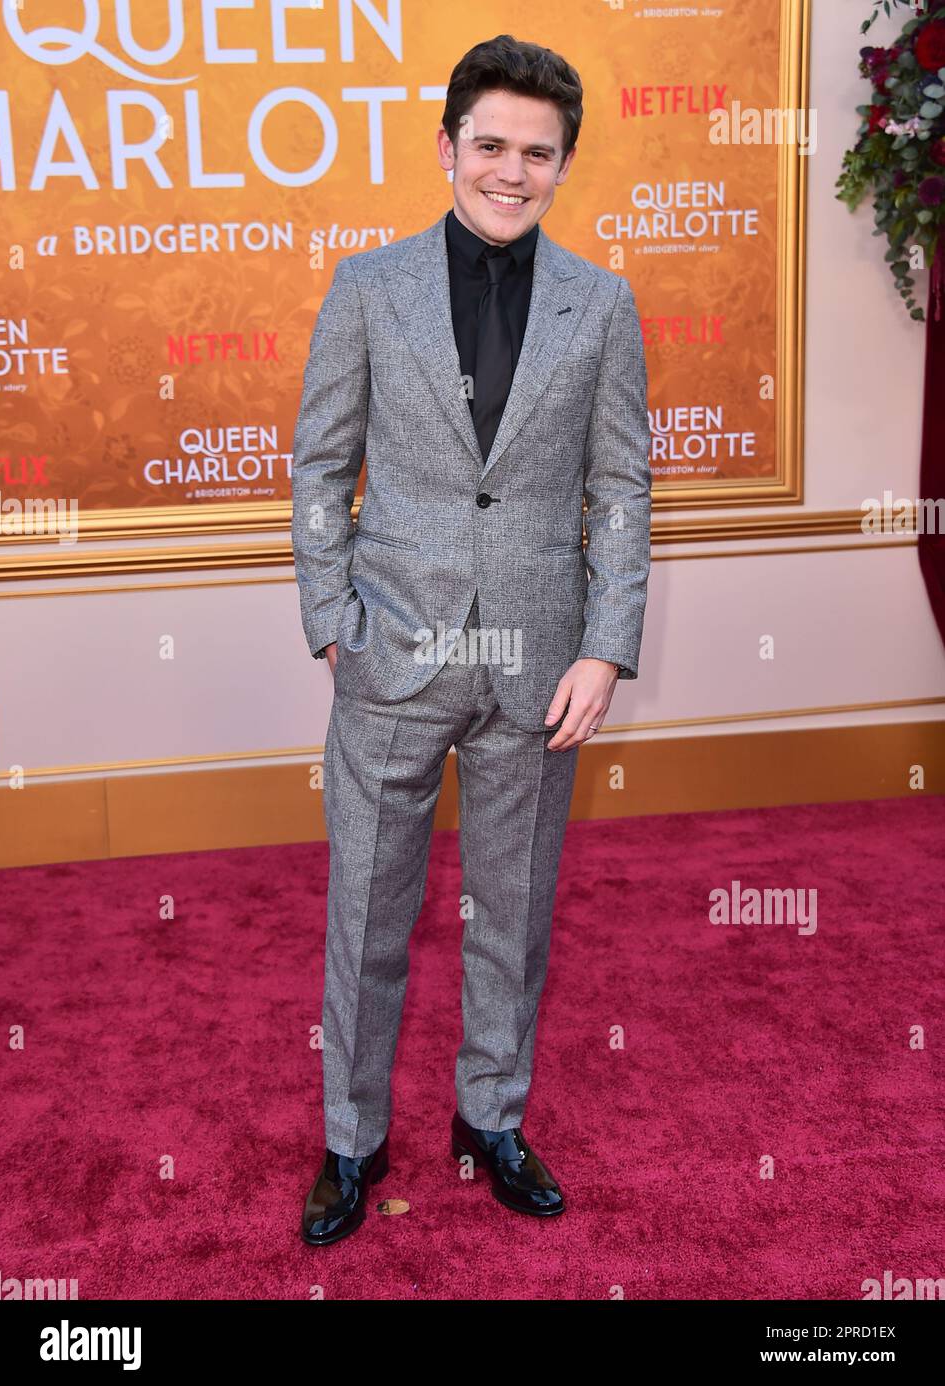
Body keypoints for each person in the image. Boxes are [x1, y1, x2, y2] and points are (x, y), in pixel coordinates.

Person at [291, 33, 651, 1246]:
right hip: (388, 655)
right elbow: (320, 468)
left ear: (562, 165)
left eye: (535, 153)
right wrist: (330, 618)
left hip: (539, 665)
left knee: (515, 909)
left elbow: (621, 488)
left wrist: (604, 646)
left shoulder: (600, 306)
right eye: (489, 144)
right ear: (448, 147)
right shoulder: (365, 287)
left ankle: (488, 1116)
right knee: (365, 915)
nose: (511, 169)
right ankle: (352, 1139)